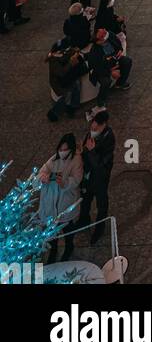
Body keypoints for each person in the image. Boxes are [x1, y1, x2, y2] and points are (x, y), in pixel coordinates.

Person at [39, 134, 84, 263]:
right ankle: (53, 250)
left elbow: (76, 179)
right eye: (61, 149)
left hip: (65, 202)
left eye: (65, 150)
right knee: (52, 232)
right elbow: (42, 171)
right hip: (52, 203)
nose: (62, 152)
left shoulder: (76, 160)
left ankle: (69, 246)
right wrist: (44, 177)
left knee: (67, 228)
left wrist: (64, 182)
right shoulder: (54, 159)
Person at [79, 108, 116, 245]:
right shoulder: (90, 134)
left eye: (96, 128)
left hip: (100, 177)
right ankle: (84, 220)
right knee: (85, 200)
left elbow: (100, 165)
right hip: (87, 176)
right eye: (92, 127)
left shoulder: (109, 138)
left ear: (103, 125)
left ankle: (99, 228)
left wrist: (91, 151)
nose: (93, 130)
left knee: (101, 203)